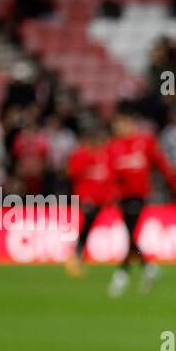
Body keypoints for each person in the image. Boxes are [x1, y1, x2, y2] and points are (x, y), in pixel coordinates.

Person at [105, 104, 176, 298]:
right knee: (131, 236)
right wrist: (109, 195)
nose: (119, 128)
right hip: (122, 198)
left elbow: (162, 164)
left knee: (131, 235)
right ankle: (148, 268)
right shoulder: (113, 147)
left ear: (130, 123)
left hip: (139, 196)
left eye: (122, 124)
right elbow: (110, 175)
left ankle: (122, 274)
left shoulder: (145, 142)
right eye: (116, 125)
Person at [64, 114, 115, 277]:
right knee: (85, 227)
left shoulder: (103, 155)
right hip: (87, 199)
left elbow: (107, 177)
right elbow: (73, 174)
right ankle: (75, 257)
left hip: (100, 199)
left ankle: (77, 257)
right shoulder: (81, 155)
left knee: (88, 228)